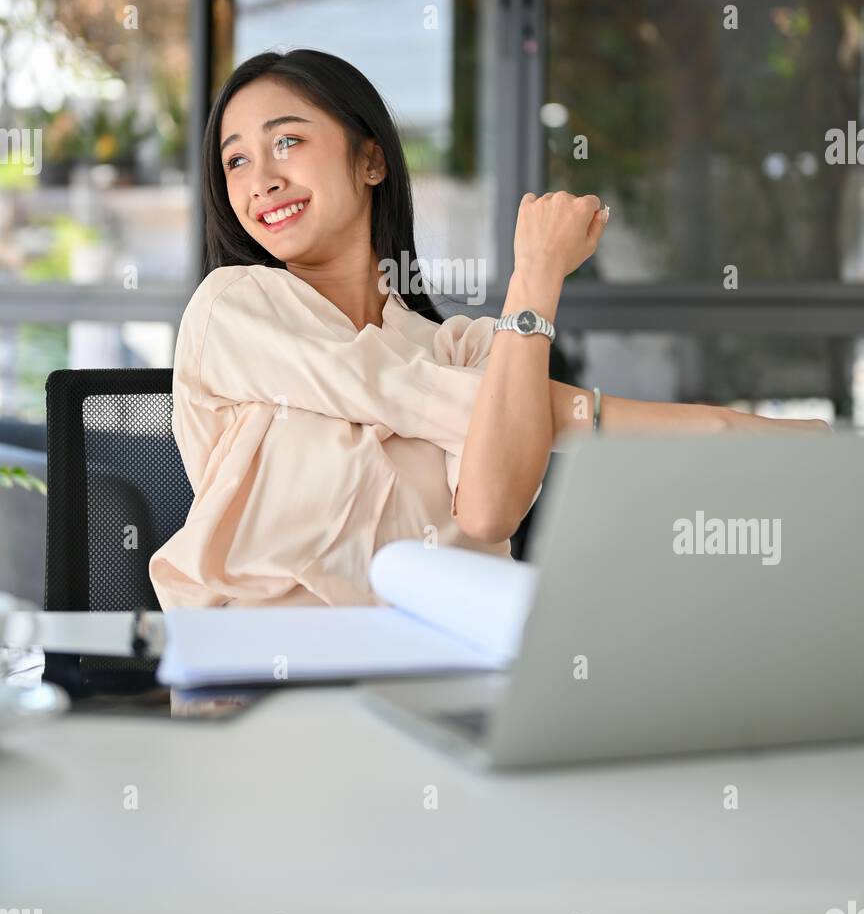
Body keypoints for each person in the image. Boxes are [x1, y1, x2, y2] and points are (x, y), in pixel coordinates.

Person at [148, 49, 827, 611]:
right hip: (256, 691)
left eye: (287, 141)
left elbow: (489, 513)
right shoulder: (234, 307)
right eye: (236, 160)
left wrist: (532, 308)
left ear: (371, 161)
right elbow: (415, 395)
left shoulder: (462, 347)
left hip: (432, 681)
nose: (260, 179)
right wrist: (534, 278)